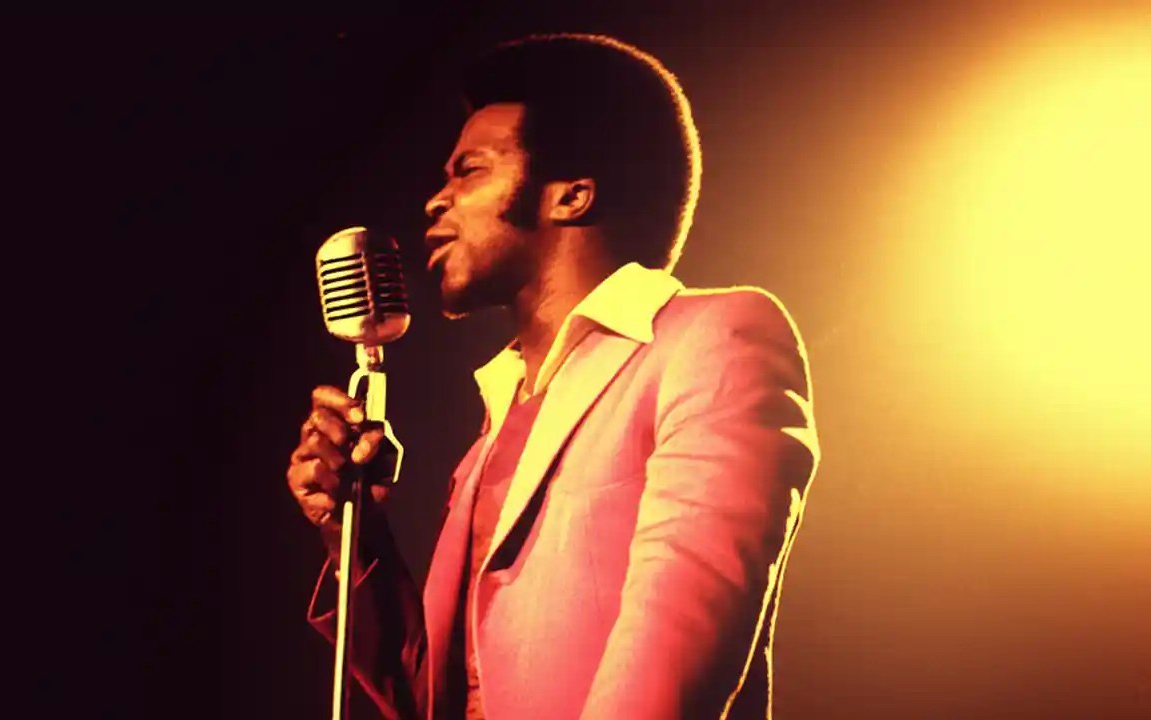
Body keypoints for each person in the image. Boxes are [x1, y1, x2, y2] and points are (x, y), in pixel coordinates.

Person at [287, 33, 820, 719]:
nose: (434, 200)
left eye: (468, 171)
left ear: (570, 196)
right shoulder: (493, 431)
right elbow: (436, 700)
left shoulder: (714, 338)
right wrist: (349, 529)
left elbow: (674, 666)